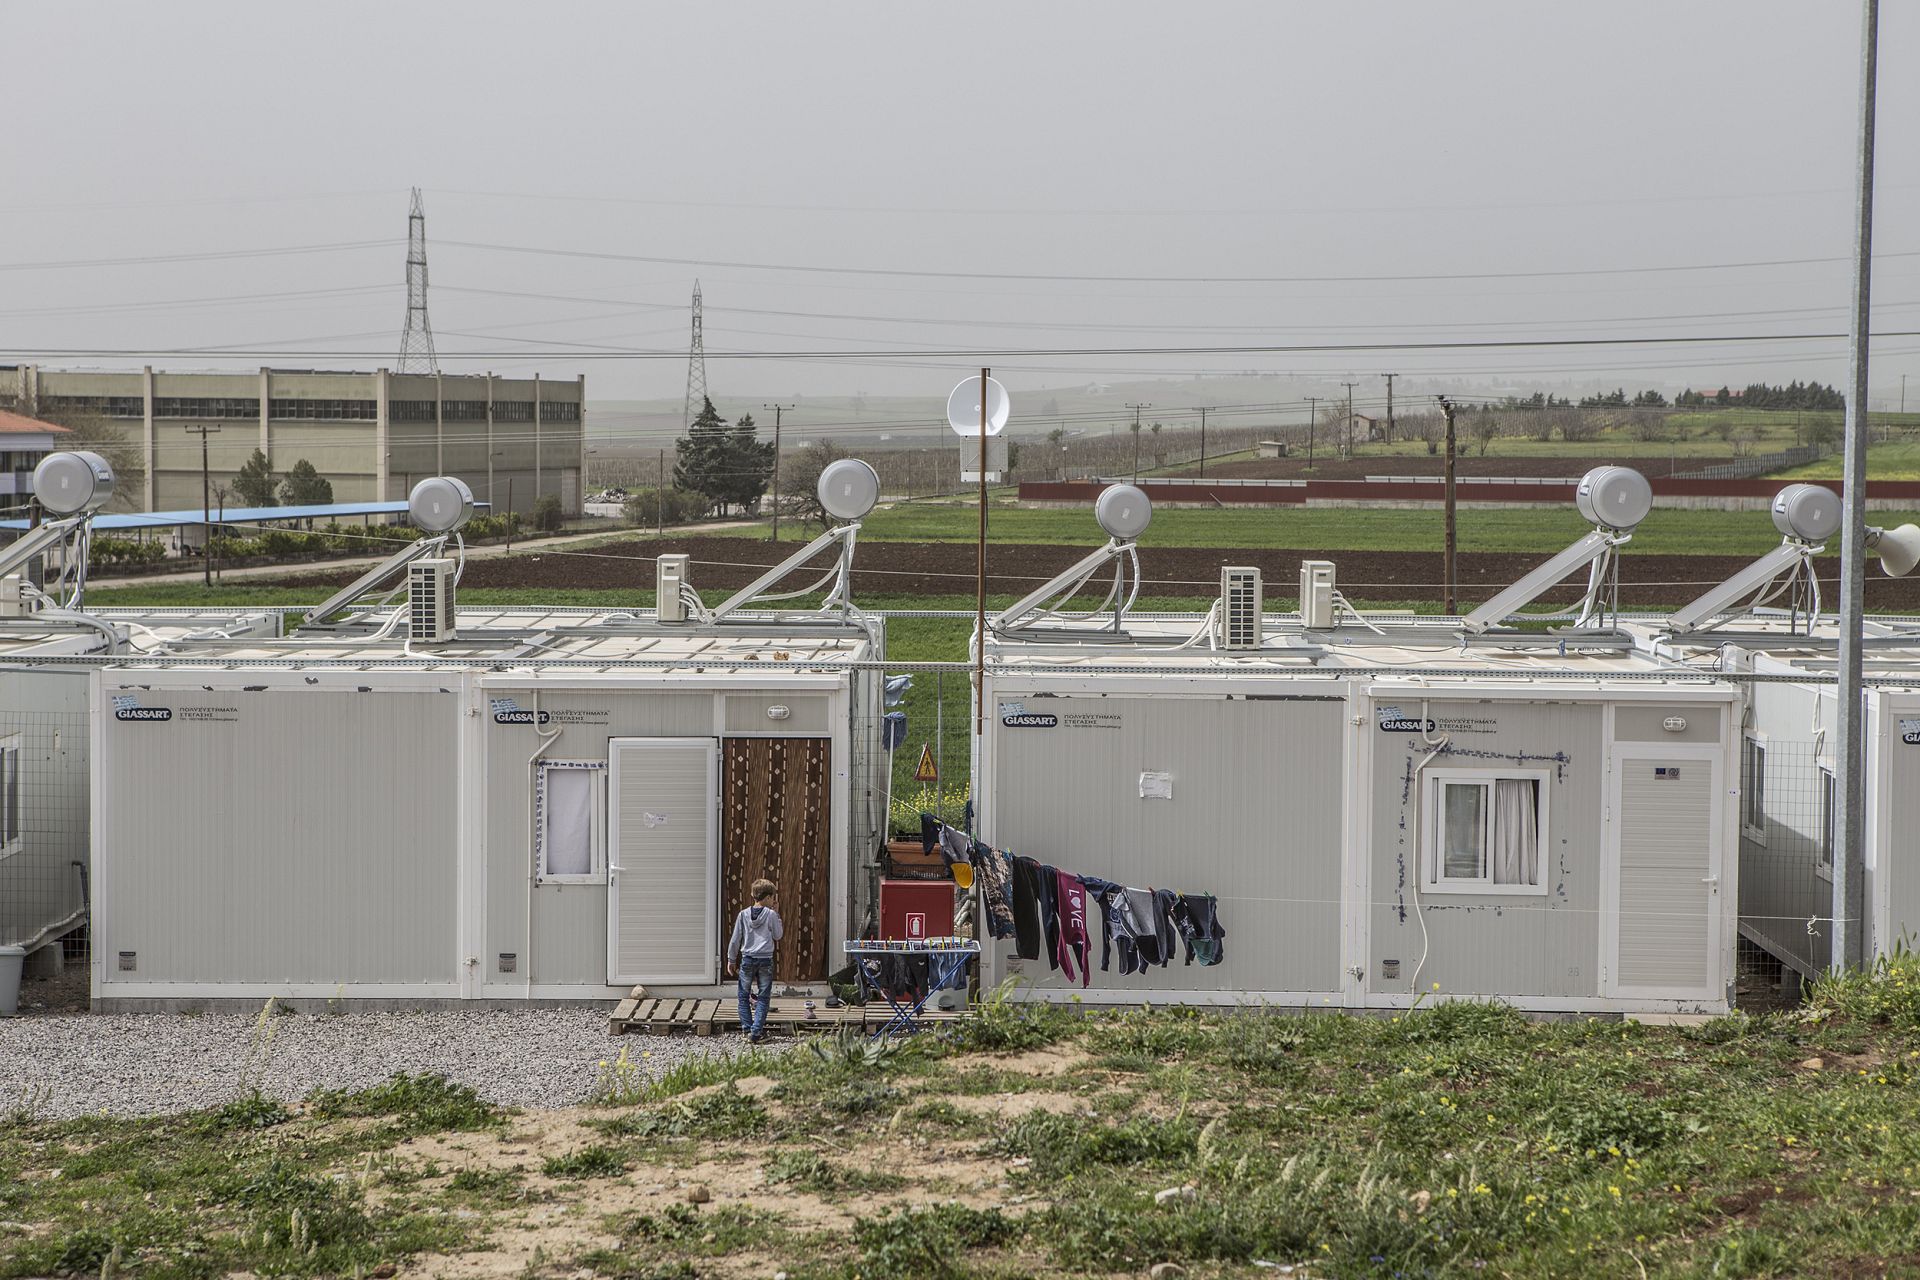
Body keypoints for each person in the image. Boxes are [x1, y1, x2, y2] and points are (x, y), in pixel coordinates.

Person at [726, 878, 784, 1043]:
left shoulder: (743, 914)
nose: (773, 901)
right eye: (772, 897)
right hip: (765, 960)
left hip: (748, 959)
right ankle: (756, 1033)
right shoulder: (771, 914)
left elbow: (736, 939)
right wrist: (777, 914)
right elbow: (778, 935)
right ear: (766, 898)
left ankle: (747, 1029)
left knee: (743, 996)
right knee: (763, 997)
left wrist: (731, 959)